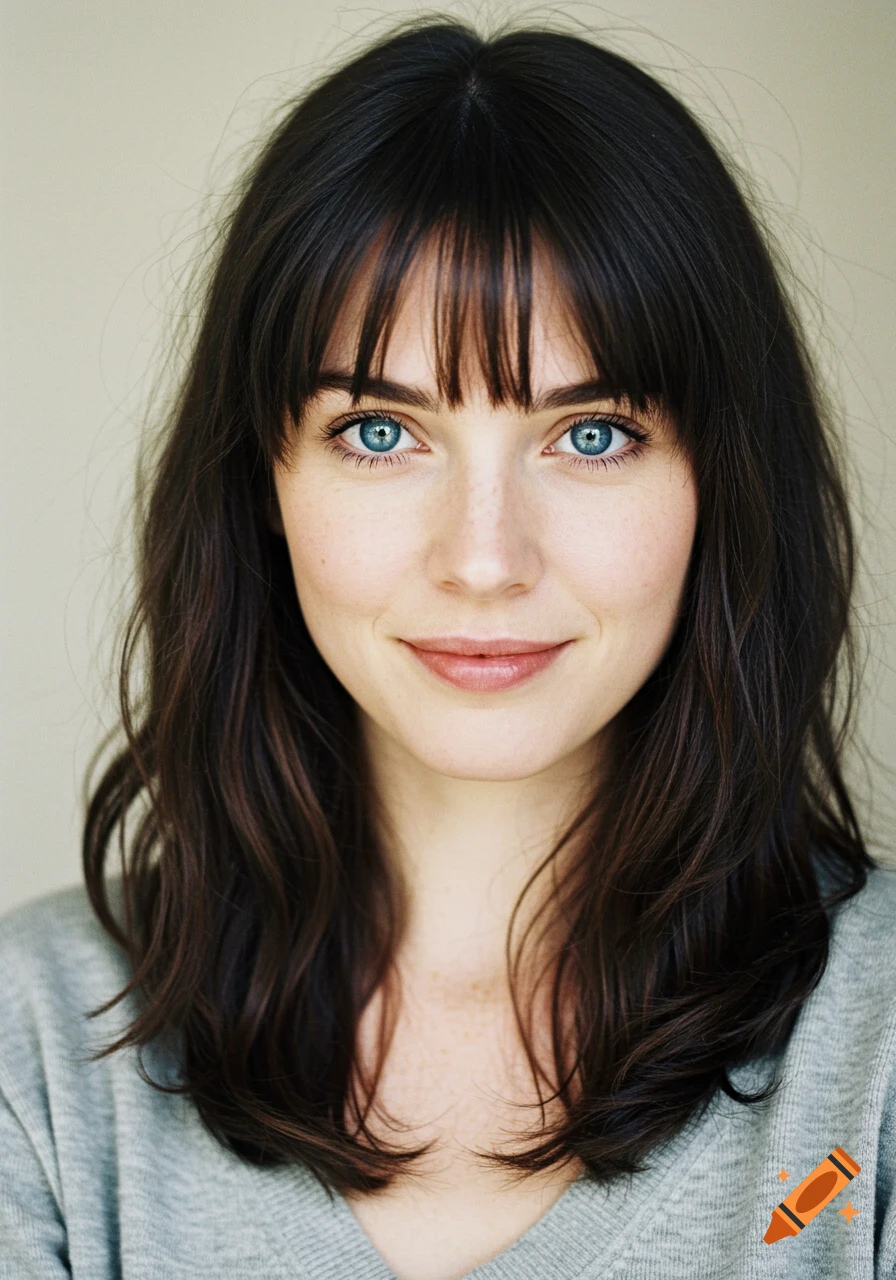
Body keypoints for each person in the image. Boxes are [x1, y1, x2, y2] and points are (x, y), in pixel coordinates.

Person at [1, 15, 894, 1280]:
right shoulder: (33, 1051)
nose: (482, 558)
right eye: (379, 431)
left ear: (721, 483)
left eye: (589, 434)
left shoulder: (879, 1057)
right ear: (263, 475)